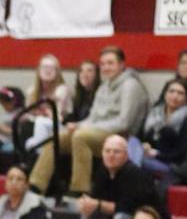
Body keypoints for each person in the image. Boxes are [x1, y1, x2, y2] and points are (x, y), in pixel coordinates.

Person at [29, 46, 149, 196]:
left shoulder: (130, 86)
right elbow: (92, 117)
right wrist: (77, 125)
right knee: (56, 139)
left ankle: (79, 190)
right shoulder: (104, 86)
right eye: (103, 64)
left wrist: (86, 129)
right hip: (97, 133)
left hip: (121, 137)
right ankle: (35, 187)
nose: (106, 67)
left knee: (81, 137)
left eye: (110, 63)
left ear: (122, 65)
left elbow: (125, 123)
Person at [78, 134, 155, 219]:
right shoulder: (103, 171)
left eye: (116, 152)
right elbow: (94, 198)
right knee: (87, 216)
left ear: (126, 155)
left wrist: (97, 204)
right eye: (107, 151)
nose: (111, 155)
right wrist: (86, 203)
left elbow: (128, 208)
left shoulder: (135, 174)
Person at [140, 79, 187, 182]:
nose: (175, 96)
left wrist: (156, 154)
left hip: (172, 166)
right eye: (171, 91)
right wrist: (143, 146)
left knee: (138, 164)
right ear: (165, 94)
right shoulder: (153, 114)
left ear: (186, 99)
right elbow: (139, 137)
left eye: (180, 93)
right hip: (148, 157)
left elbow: (181, 155)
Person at [26, 54, 71, 121]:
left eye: (51, 67)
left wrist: (41, 113)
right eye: (44, 67)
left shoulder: (61, 90)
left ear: (57, 72)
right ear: (38, 70)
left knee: (41, 121)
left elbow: (57, 116)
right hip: (34, 124)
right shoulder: (31, 91)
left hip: (58, 126)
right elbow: (28, 114)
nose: (48, 70)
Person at [69, 59, 101, 123]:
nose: (84, 74)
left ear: (96, 75)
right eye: (81, 71)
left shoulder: (100, 94)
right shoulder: (78, 95)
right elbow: (73, 116)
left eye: (89, 71)